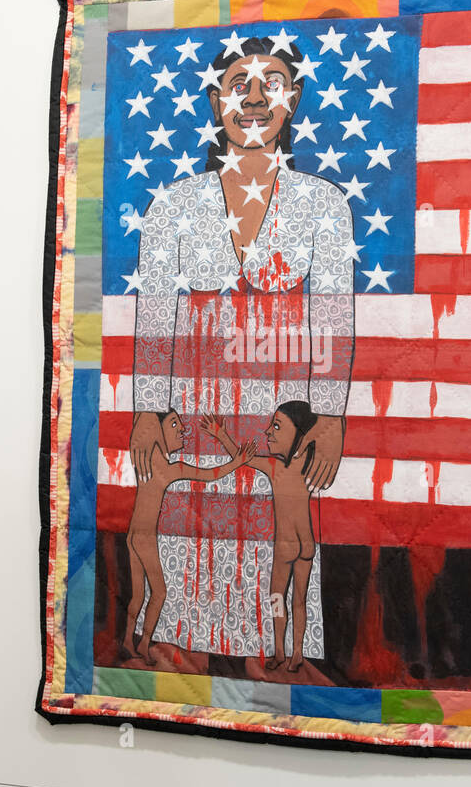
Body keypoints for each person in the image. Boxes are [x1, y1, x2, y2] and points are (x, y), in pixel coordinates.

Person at [126, 35, 355, 664]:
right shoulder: (173, 204)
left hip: (283, 401)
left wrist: (330, 417)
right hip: (198, 400)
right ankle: (182, 637)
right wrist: (150, 406)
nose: (254, 100)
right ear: (214, 99)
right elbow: (156, 315)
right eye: (239, 86)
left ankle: (273, 647)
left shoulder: (324, 205)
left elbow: (333, 314)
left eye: (272, 84)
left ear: (295, 99)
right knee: (190, 518)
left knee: (279, 530)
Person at [122, 410, 255, 665]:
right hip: (145, 538)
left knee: (138, 594)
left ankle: (129, 640)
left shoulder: (145, 459)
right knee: (158, 592)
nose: (182, 429)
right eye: (174, 424)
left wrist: (147, 420)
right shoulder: (166, 468)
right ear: (156, 430)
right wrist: (237, 462)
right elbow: (208, 474)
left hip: (133, 536)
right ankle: (144, 644)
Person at [205, 403, 317, 672]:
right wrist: (221, 435)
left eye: (276, 426)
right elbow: (244, 456)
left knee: (277, 596)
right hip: (307, 543)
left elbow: (240, 456)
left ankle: (280, 651)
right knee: (298, 600)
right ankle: (296, 653)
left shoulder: (278, 466)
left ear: (298, 434)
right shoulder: (307, 462)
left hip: (287, 545)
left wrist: (221, 435)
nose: (268, 432)